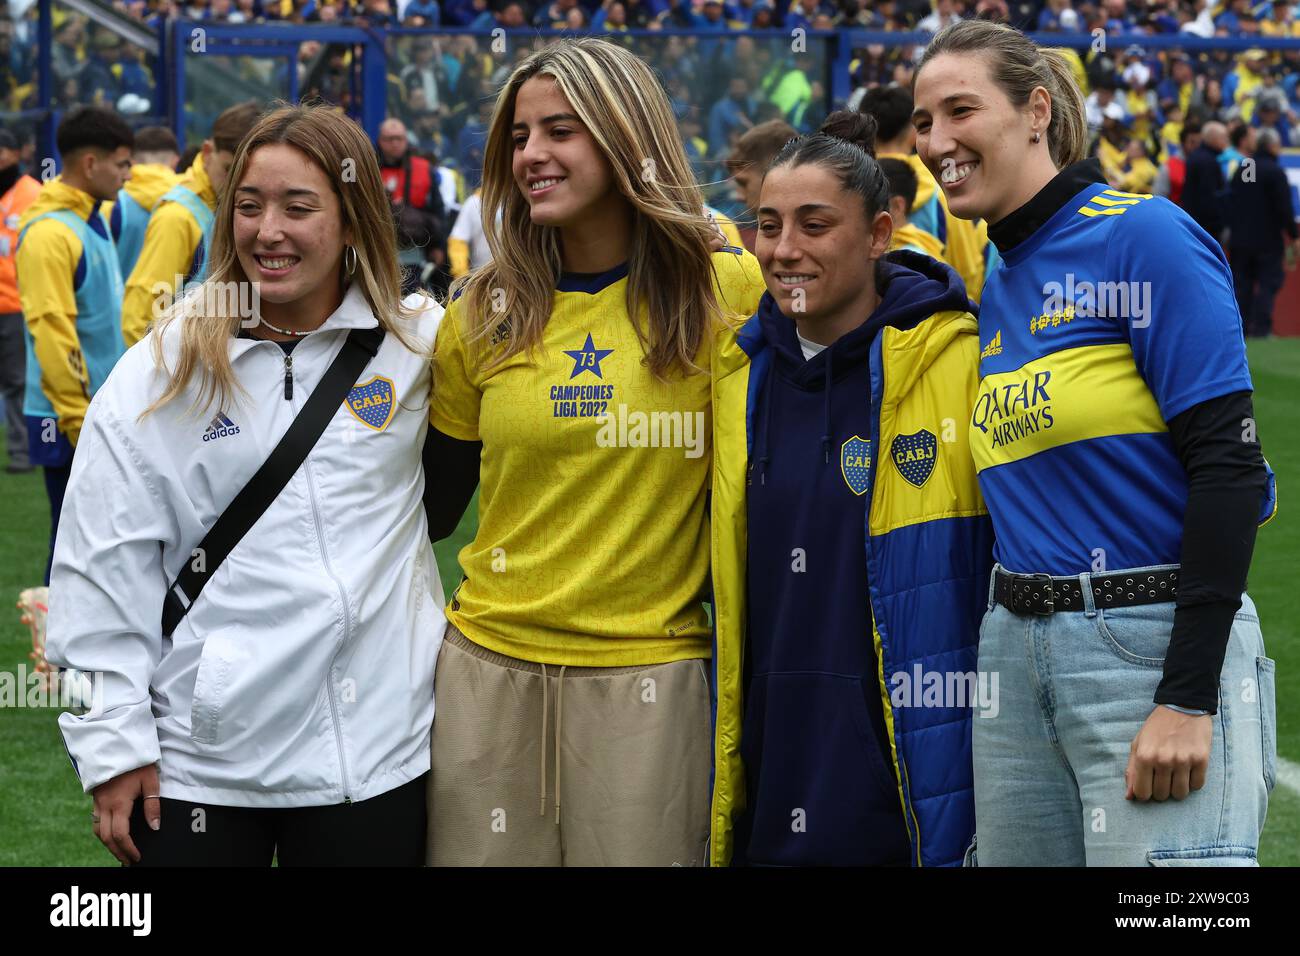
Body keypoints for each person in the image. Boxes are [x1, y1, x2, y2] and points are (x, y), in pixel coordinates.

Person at [912, 18, 1277, 867]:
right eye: (925, 122)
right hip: (1011, 647)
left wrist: (1188, 696)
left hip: (1145, 643)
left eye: (960, 111)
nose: (937, 142)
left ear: (1036, 110)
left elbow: (1229, 468)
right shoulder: (999, 276)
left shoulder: (1141, 235)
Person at [44, 104, 446, 867]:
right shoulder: (164, 368)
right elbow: (103, 564)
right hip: (206, 767)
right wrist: (113, 742)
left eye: (299, 207)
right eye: (251, 206)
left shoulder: (416, 343)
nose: (269, 231)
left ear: (355, 219)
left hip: (378, 756)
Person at [426, 37, 766, 866]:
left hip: (650, 676)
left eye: (561, 131)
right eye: (518, 136)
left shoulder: (723, 290)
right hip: (485, 674)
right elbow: (430, 507)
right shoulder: (480, 310)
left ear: (626, 138)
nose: (532, 154)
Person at [708, 111, 992, 867]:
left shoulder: (958, 364)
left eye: (814, 224)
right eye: (767, 226)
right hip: (765, 769)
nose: (784, 250)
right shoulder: (732, 377)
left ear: (878, 234)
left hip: (904, 781)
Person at [15, 106, 133, 583]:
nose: (129, 175)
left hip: (95, 409)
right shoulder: (49, 233)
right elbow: (51, 333)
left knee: (103, 544)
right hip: (67, 418)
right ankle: (51, 656)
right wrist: (77, 420)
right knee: (73, 548)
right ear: (90, 165)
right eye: (122, 164)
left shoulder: (93, 215)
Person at [121, 101, 262, 347]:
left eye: (247, 173)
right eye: (229, 169)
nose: (236, 183)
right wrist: (162, 380)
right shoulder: (177, 217)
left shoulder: (231, 207)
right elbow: (140, 315)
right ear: (208, 152)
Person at [1228, 128, 1299, 338]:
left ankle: (1241, 329)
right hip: (1267, 241)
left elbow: (1233, 198)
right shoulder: (1274, 172)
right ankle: (1262, 329)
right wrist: (1294, 236)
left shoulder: (1245, 167)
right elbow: (1284, 208)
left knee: (1242, 286)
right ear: (1272, 146)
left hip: (1240, 240)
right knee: (1268, 284)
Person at [0, 127, 40, 473]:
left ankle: (22, 450)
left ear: (16, 154)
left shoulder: (32, 193)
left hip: (15, 303)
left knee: (16, 381)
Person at [377, 116, 448, 296]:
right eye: (389, 139)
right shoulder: (368, 168)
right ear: (380, 141)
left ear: (406, 140)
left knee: (414, 302)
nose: (394, 143)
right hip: (379, 252)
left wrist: (439, 246)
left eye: (399, 139)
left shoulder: (424, 167)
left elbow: (438, 210)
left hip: (417, 251)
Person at [109, 125, 180, 280]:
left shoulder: (112, 203)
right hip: (178, 302)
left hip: (124, 302)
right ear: (175, 161)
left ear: (132, 161)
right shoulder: (190, 204)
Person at [1181, 119, 1228, 246]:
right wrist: (1219, 222)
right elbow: (1209, 197)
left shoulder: (1199, 156)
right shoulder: (1207, 161)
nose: (1226, 141)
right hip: (1205, 227)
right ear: (1212, 138)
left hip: (1195, 221)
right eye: (1223, 137)